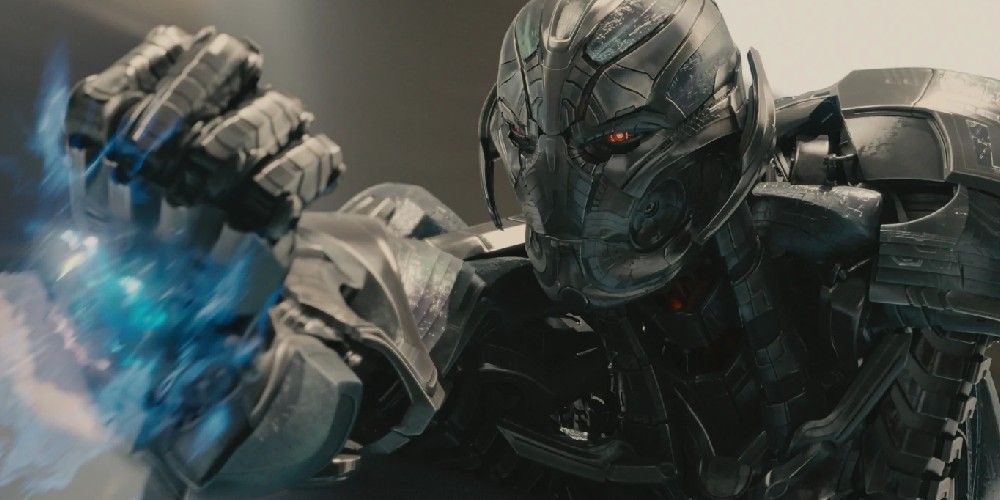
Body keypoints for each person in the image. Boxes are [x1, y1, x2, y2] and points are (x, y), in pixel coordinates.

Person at [63, 1, 1000, 498]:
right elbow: (326, 365)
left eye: (616, 141)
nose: (564, 186)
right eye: (531, 144)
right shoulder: (494, 308)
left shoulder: (866, 226)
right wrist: (210, 322)